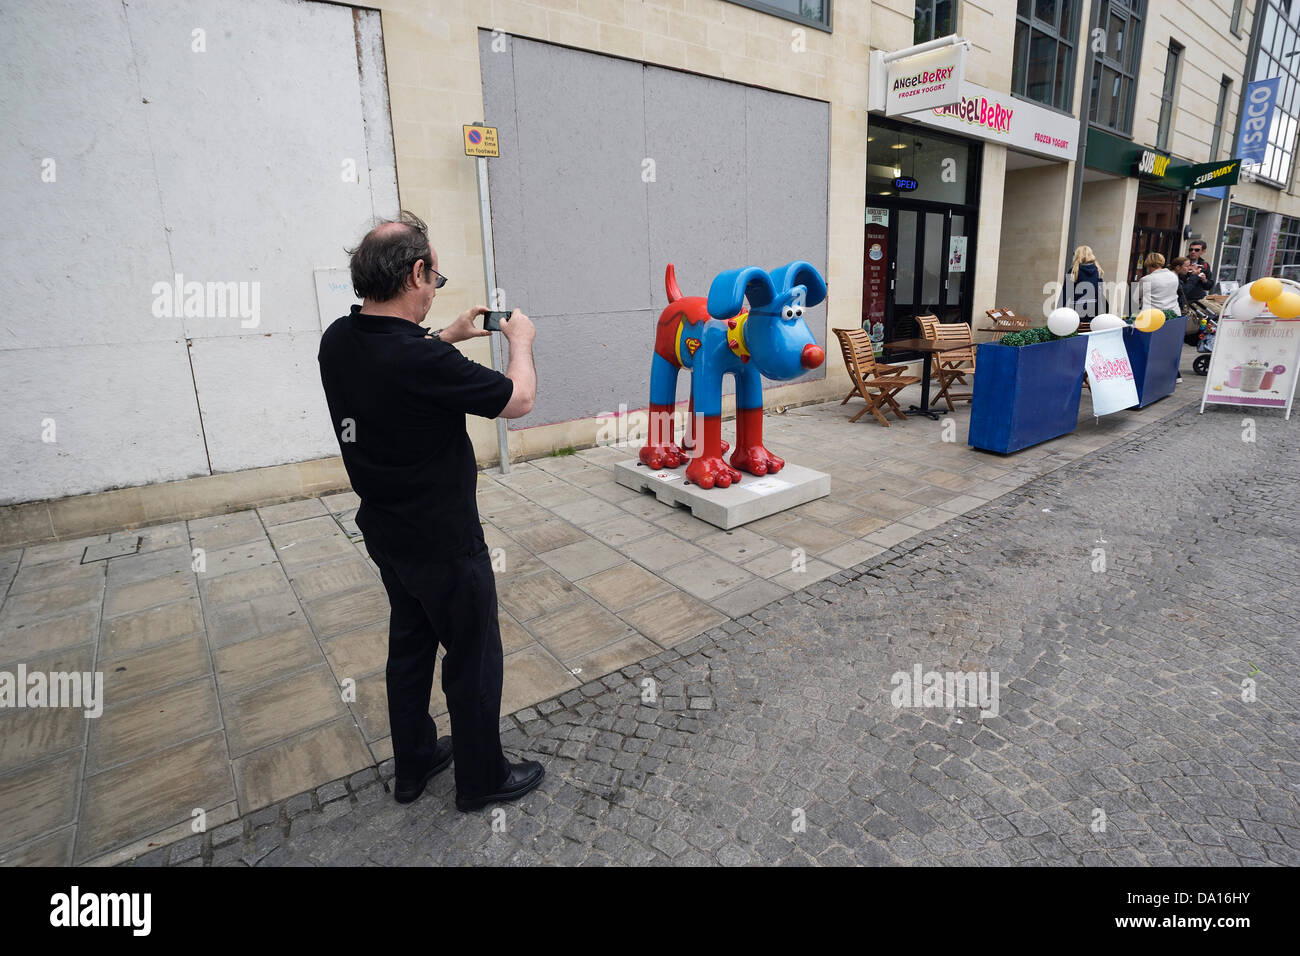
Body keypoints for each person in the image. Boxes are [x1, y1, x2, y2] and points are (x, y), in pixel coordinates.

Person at [318, 211, 544, 812]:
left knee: (411, 645)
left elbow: (395, 366)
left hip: (386, 530)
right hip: (444, 540)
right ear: (416, 272)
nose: (432, 291)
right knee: (473, 656)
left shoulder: (339, 340)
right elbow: (517, 399)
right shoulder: (423, 364)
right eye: (434, 279)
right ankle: (481, 778)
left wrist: (447, 334)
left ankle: (414, 762)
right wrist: (518, 342)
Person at [1062, 245, 1106, 319]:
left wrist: (1059, 311)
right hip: (1094, 309)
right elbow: (1100, 292)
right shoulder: (1098, 270)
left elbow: (1065, 293)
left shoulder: (1074, 270)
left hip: (1077, 309)